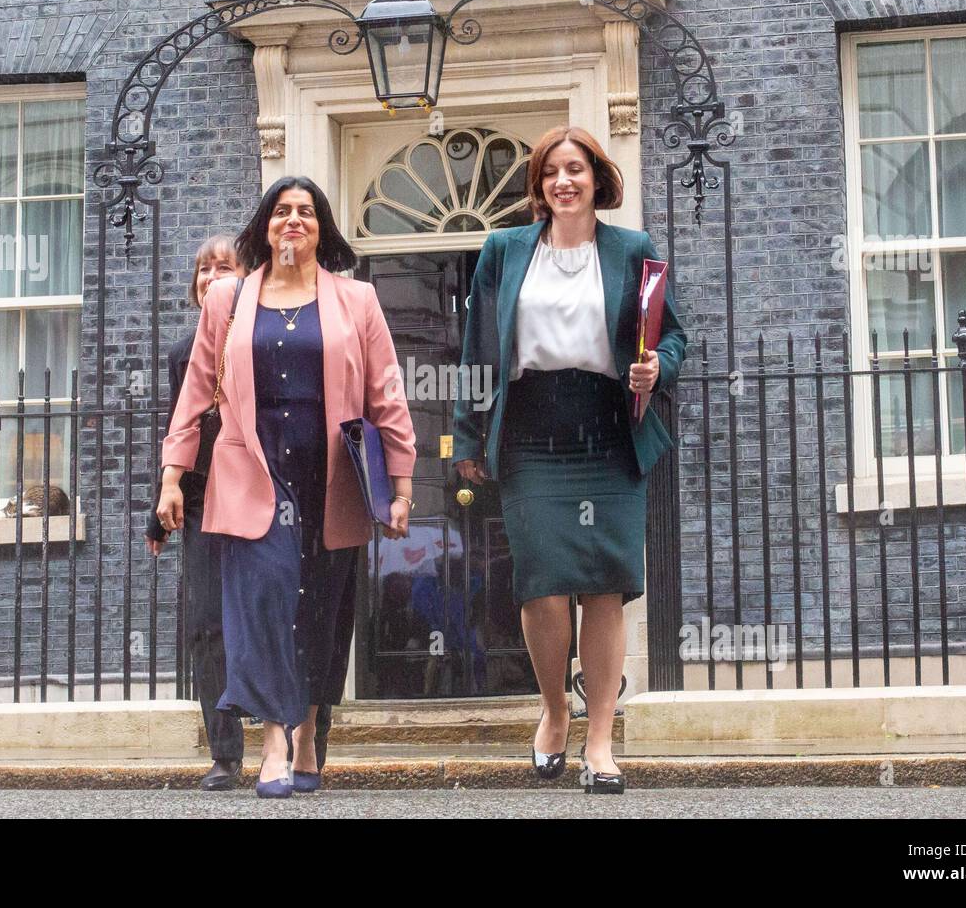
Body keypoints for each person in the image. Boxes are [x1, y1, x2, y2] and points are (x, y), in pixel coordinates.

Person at [157, 176, 416, 798]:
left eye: (305, 212)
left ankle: (305, 732)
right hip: (253, 468)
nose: (292, 221)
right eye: (281, 212)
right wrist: (172, 475)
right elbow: (195, 391)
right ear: (264, 227)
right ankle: (273, 736)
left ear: (321, 227)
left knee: (320, 606)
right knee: (266, 597)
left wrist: (401, 488)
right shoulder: (229, 298)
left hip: (329, 473)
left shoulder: (357, 300)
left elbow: (387, 395)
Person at [452, 125, 687, 794]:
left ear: (596, 178)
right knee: (543, 588)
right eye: (552, 170)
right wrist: (469, 437)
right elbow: (477, 352)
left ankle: (602, 738)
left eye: (576, 169)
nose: (565, 181)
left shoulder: (632, 249)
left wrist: (654, 370)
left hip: (609, 432)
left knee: (605, 586)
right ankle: (555, 709)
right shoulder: (503, 250)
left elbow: (673, 336)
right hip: (530, 431)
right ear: (539, 185)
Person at [145, 235, 252, 790]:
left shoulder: (266, 338)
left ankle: (295, 739)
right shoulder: (183, 350)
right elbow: (177, 426)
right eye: (202, 269)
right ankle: (225, 753)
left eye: (224, 266)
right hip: (206, 498)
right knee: (208, 623)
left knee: (269, 615)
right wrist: (161, 498)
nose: (211, 276)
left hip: (262, 496)